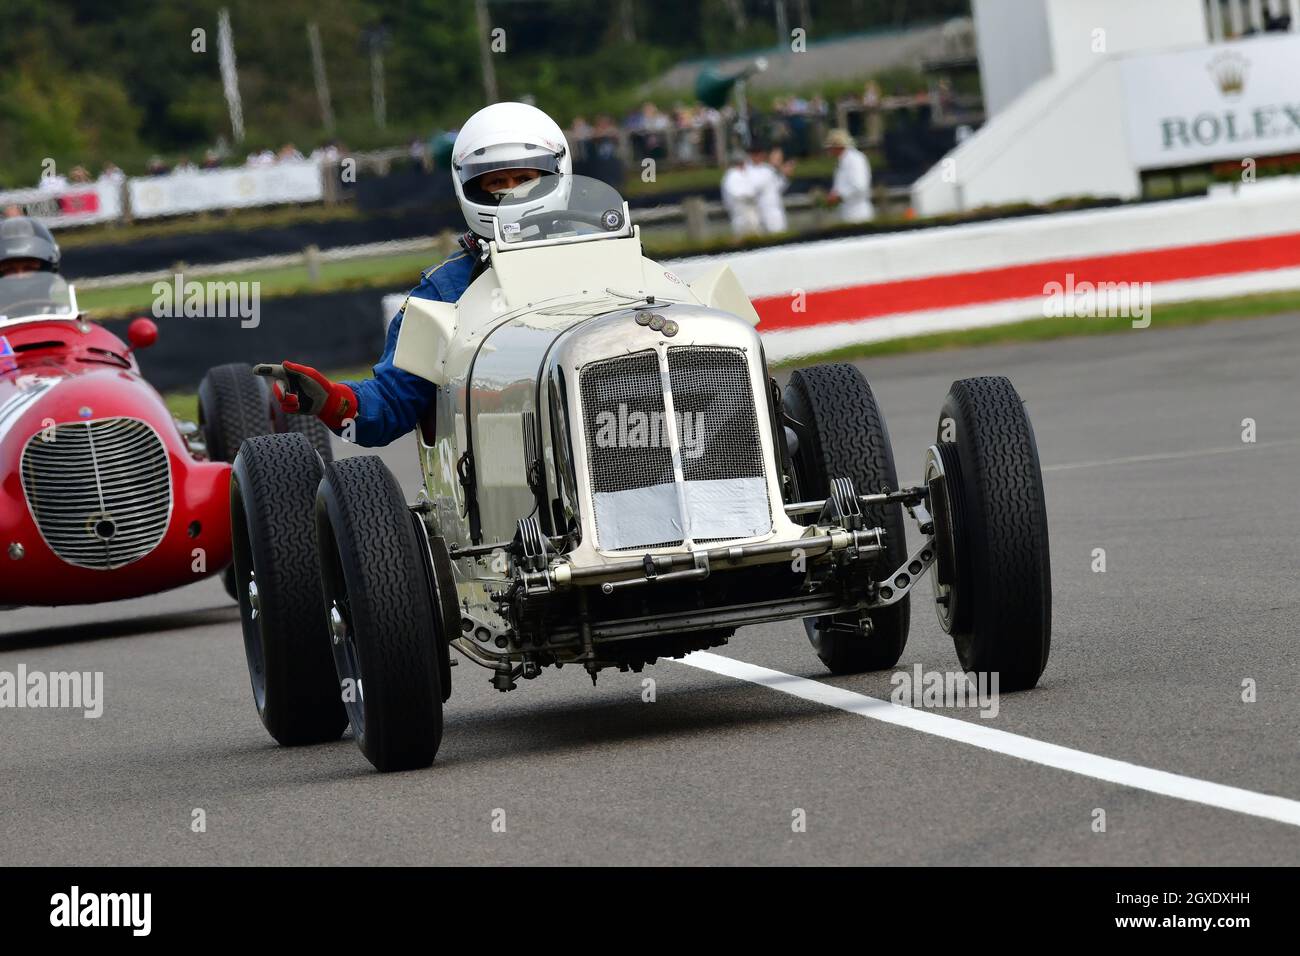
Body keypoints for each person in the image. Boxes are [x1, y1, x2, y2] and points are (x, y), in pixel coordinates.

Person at [255, 102, 571, 447]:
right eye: (497, 182)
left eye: (525, 179)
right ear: (471, 189)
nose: (511, 192)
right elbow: (393, 401)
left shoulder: (602, 256)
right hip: (501, 462)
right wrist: (333, 401)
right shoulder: (443, 289)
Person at [825, 128, 873, 224]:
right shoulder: (842, 160)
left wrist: (839, 196)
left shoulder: (855, 159)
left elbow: (860, 186)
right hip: (847, 213)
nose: (828, 150)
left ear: (837, 146)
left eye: (830, 146)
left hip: (858, 215)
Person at [721, 149, 761, 237]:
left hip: (751, 211)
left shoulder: (745, 174)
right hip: (739, 213)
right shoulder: (731, 175)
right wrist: (750, 195)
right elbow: (737, 194)